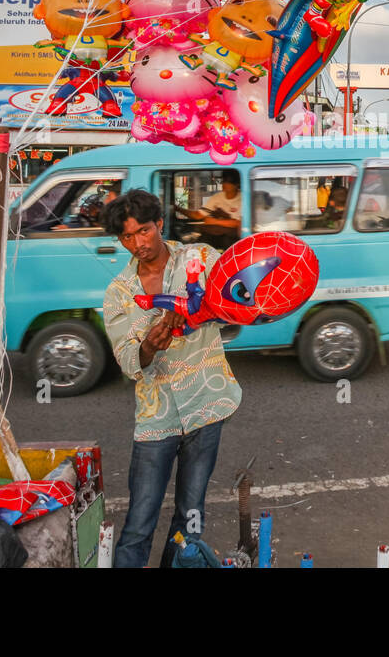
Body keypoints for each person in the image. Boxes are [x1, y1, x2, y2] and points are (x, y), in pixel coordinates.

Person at [101, 190, 241, 568]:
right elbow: (128, 361)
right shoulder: (118, 293)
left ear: (159, 224)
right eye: (127, 237)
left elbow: (236, 305)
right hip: (156, 420)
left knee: (191, 517)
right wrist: (148, 347)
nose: (139, 243)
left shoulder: (201, 259)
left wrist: (198, 314)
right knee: (139, 522)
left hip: (205, 406)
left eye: (144, 231)